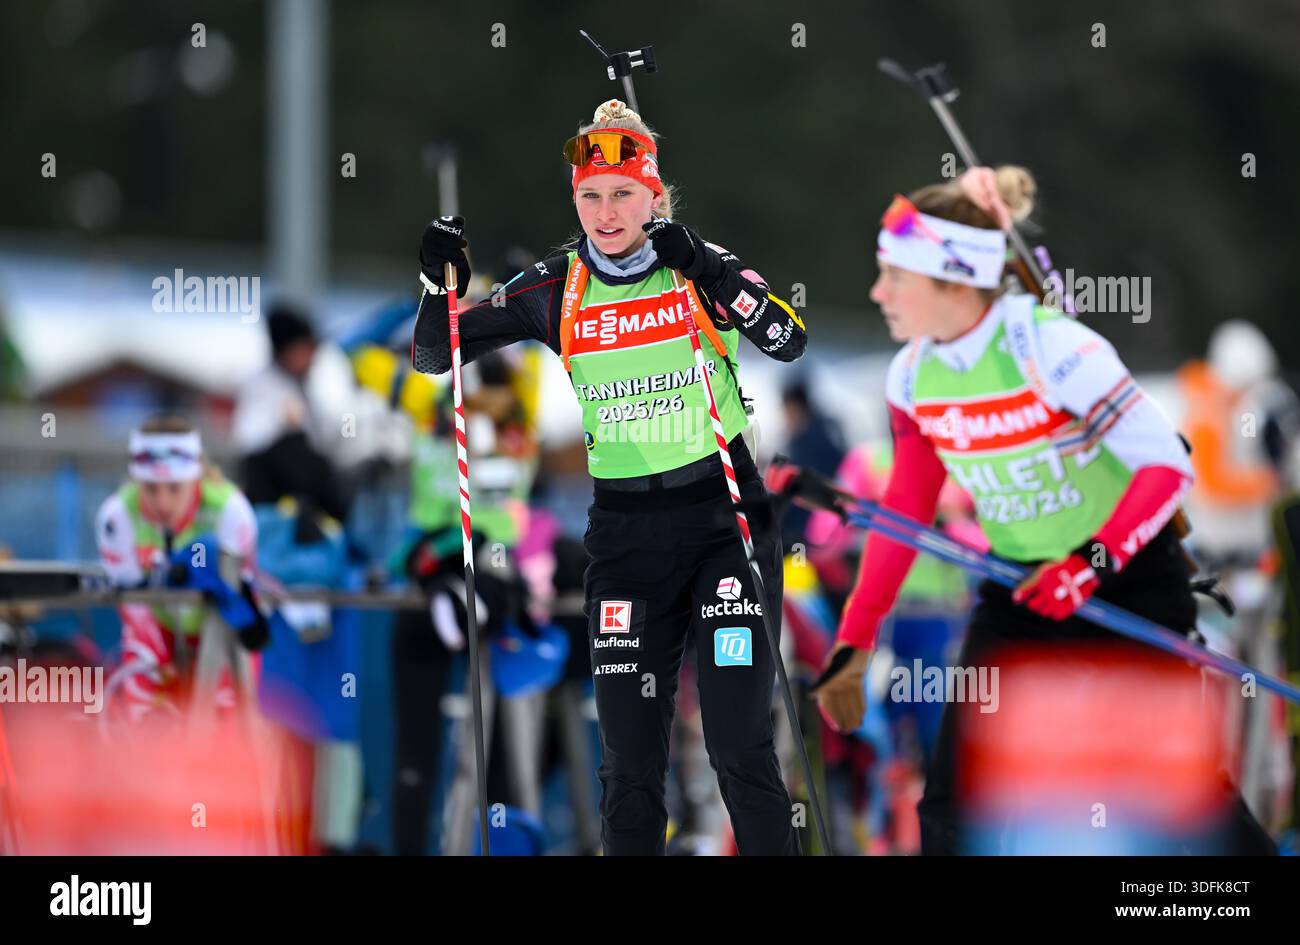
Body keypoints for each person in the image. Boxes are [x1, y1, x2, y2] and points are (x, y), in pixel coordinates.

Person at [812, 166, 1276, 854]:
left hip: (1126, 580)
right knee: (956, 795)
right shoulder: (911, 374)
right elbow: (904, 508)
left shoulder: (1051, 347)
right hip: (1021, 589)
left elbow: (1166, 465)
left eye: (894, 276)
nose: (878, 293)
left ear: (953, 279)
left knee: (1179, 794)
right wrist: (855, 634)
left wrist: (1089, 564)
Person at [411, 99, 808, 855]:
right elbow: (436, 354)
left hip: (725, 523)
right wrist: (437, 283)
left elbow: (787, 338)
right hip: (626, 539)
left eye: (623, 192)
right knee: (627, 767)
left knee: (739, 748)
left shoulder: (696, 263)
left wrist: (711, 269)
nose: (605, 211)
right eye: (590, 195)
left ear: (654, 195)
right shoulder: (556, 286)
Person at [95, 413, 266, 722]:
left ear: (196, 478)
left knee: (222, 735)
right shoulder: (116, 516)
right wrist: (160, 666)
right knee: (146, 719)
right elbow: (135, 610)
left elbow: (238, 595)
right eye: (150, 488)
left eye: (175, 488)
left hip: (221, 630)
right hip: (155, 629)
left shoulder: (230, 510)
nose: (162, 503)